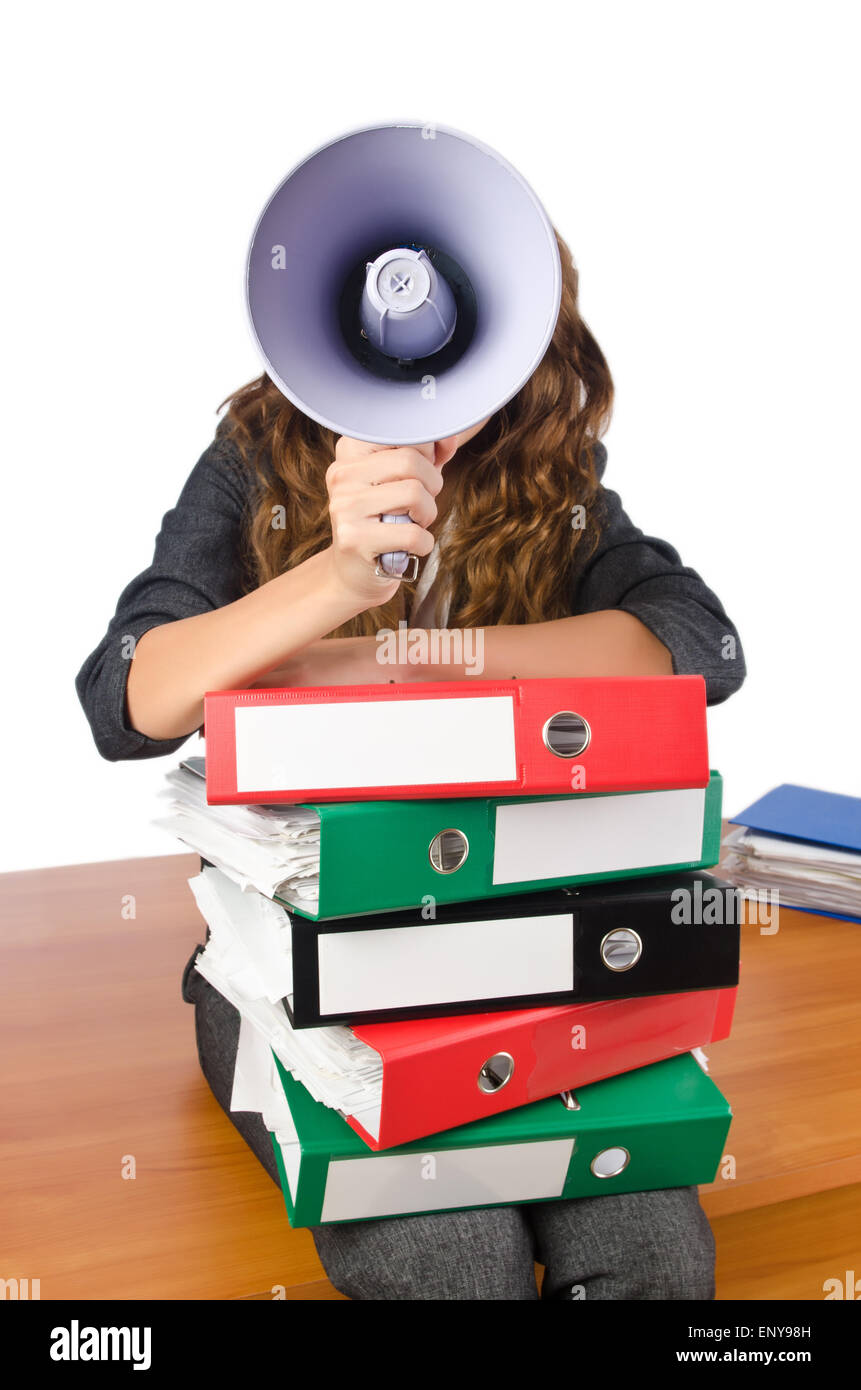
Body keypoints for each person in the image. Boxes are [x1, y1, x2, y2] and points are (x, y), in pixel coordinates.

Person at [75, 228, 745, 1300]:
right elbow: (128, 696)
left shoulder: (552, 479)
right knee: (458, 1259)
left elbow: (700, 644)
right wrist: (338, 577)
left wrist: (393, 660)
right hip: (307, 971)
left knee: (655, 1257)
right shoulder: (255, 456)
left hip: (516, 952)